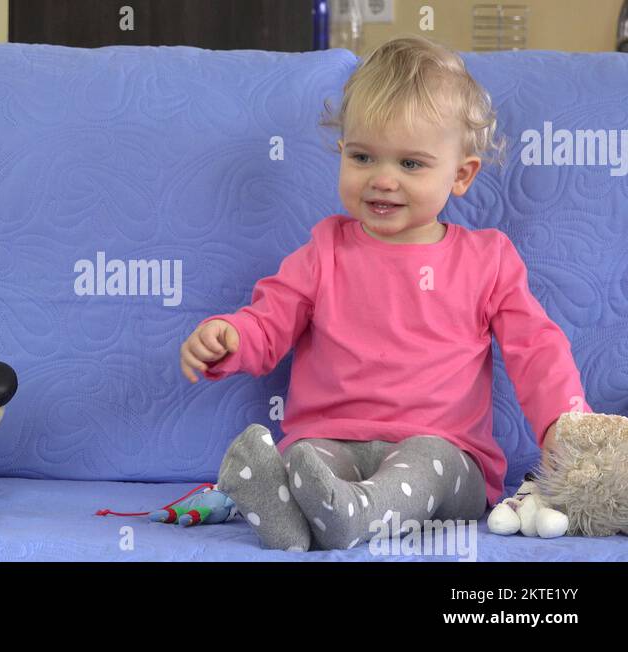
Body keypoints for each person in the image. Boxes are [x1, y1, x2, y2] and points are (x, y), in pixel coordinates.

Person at [179, 35, 592, 552]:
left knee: (423, 464)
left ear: (461, 175)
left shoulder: (487, 260)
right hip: (331, 444)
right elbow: (269, 321)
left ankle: (357, 515)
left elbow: (535, 348)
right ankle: (289, 519)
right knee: (302, 458)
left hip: (449, 455)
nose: (382, 180)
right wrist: (230, 337)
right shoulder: (325, 249)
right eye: (363, 156)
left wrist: (563, 424)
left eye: (411, 164)